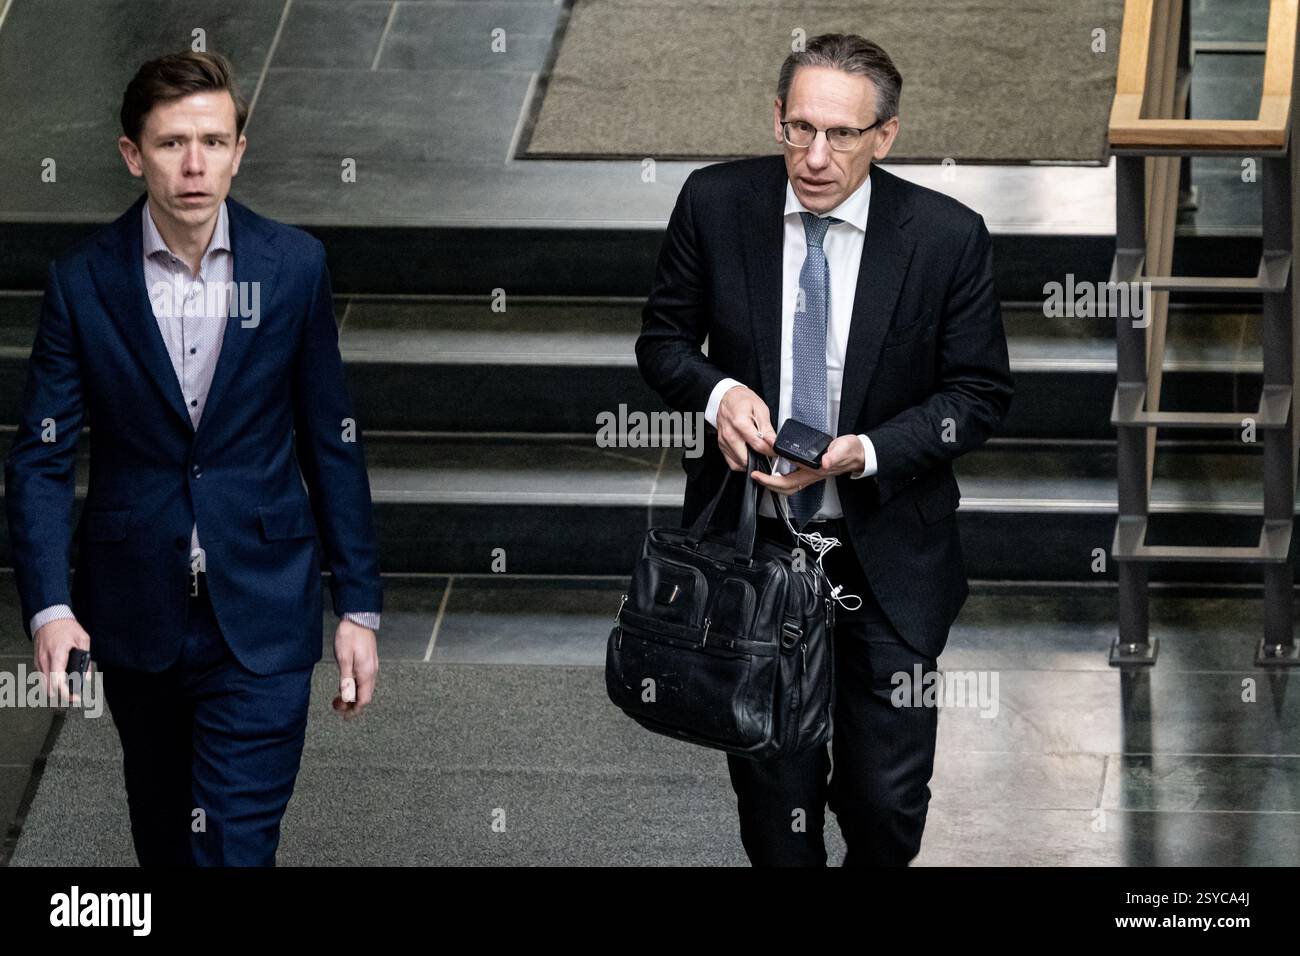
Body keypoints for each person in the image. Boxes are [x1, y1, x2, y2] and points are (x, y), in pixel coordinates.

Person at [636, 33, 1013, 865]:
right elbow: (663, 341)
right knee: (776, 805)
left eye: (842, 134)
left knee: (884, 802)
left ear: (885, 136)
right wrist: (721, 394)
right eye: (799, 128)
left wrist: (864, 452)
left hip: (886, 559)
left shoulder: (947, 236)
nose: (815, 156)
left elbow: (979, 395)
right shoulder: (714, 202)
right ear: (775, 117)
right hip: (754, 552)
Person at [4, 51, 383, 866]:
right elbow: (40, 456)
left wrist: (357, 605)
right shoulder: (82, 282)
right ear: (132, 155)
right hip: (138, 608)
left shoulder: (293, 268)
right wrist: (48, 605)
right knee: (167, 839)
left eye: (214, 140)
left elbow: (332, 441)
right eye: (173, 143)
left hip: (266, 605)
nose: (195, 164)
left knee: (234, 846)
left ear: (241, 149)